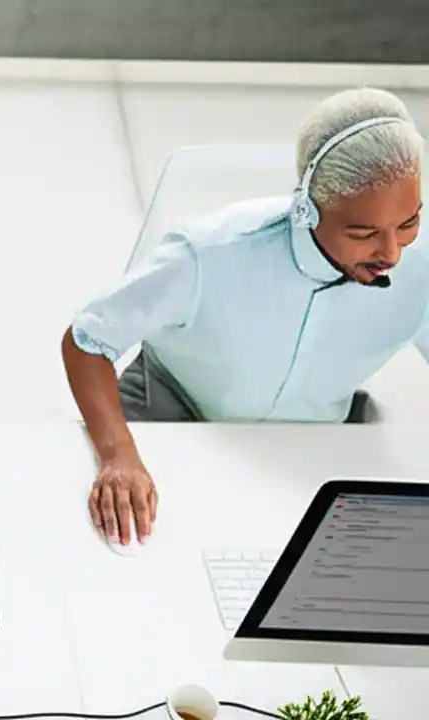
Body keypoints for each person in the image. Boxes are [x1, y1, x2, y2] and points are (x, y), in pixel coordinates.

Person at [62, 87, 429, 547]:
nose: (392, 252)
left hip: (309, 447)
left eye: (409, 223)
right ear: (306, 210)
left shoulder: (423, 266)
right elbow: (87, 342)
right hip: (171, 411)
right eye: (364, 233)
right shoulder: (209, 254)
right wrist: (119, 454)